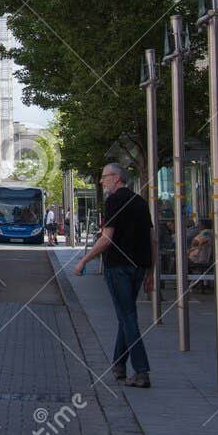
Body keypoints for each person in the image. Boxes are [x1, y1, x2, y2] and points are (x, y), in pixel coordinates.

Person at [74, 162, 153, 387]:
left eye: (105, 177)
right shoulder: (140, 201)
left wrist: (84, 260)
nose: (102, 181)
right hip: (139, 267)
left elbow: (107, 239)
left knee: (128, 317)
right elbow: (152, 239)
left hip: (118, 267)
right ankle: (119, 365)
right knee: (125, 315)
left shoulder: (113, 201)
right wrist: (150, 272)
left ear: (117, 178)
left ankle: (142, 371)